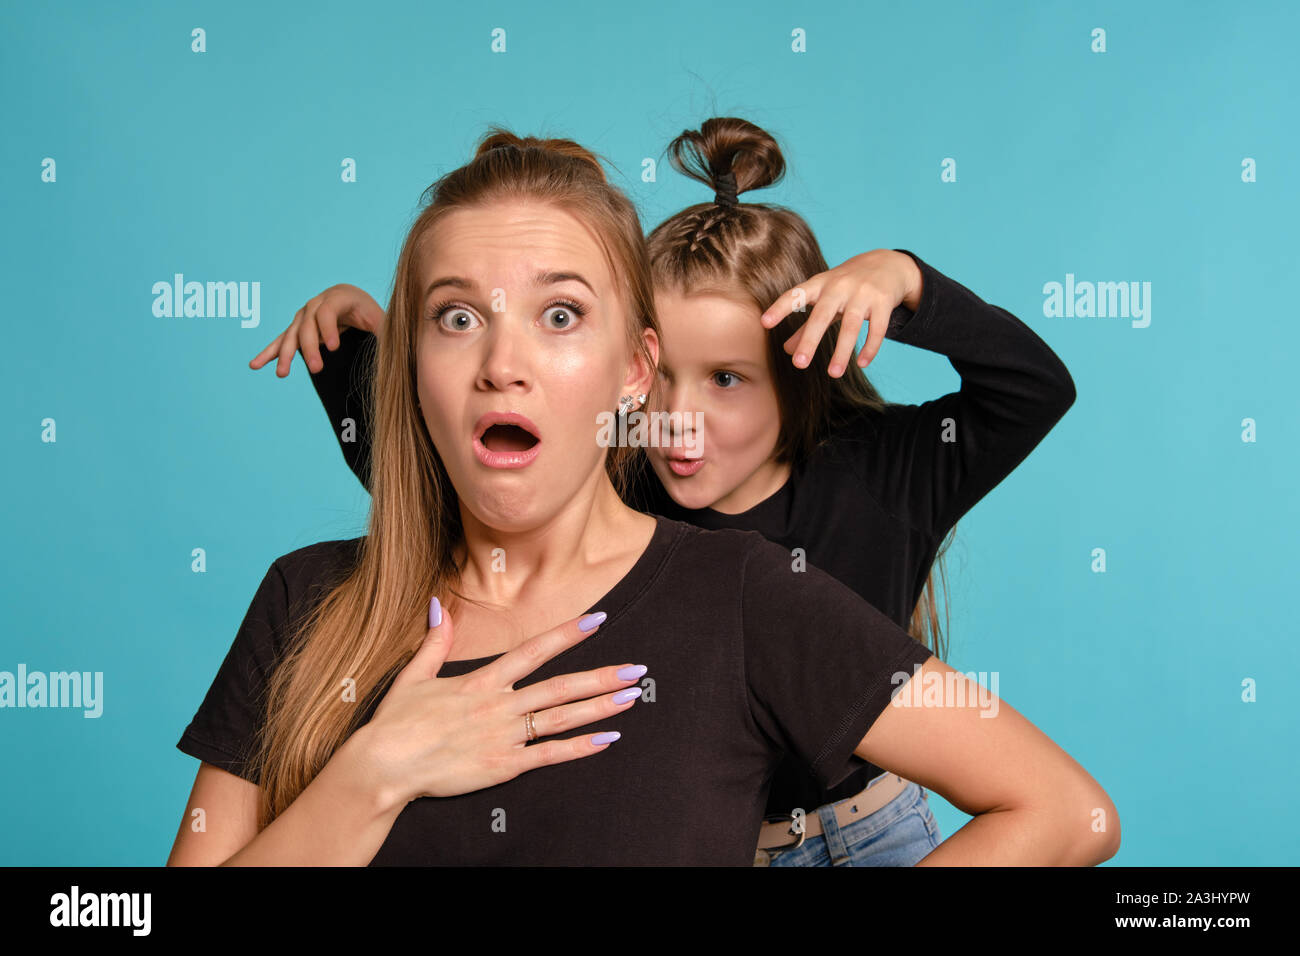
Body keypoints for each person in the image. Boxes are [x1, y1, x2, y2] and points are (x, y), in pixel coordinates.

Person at [170, 128, 1118, 866]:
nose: (504, 364)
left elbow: (1066, 812)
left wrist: (905, 279)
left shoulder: (757, 584)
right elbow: (422, 470)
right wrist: (371, 775)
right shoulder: (307, 600)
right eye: (457, 318)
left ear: (629, 368)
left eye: (560, 315)